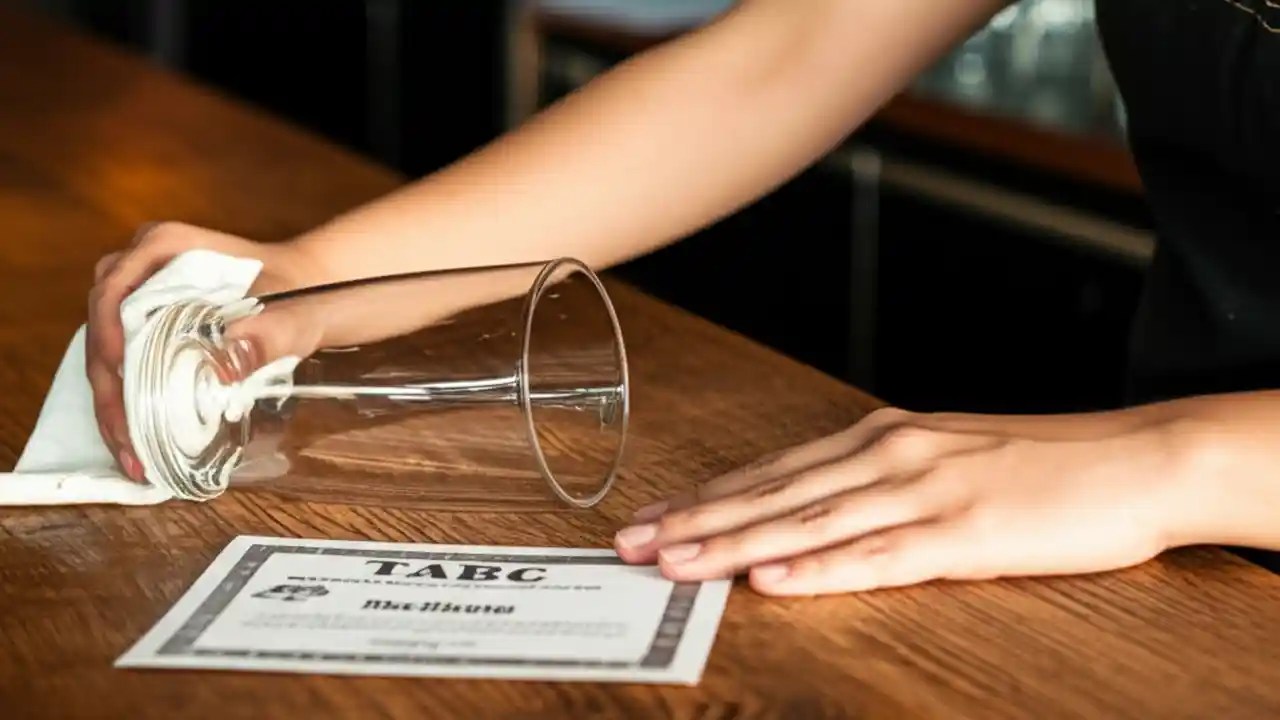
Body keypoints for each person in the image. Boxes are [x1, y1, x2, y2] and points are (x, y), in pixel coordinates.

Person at [87, 0, 1280, 596]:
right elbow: (796, 51)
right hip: (1178, 563)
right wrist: (317, 283)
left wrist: (1183, 460)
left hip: (1163, 495)